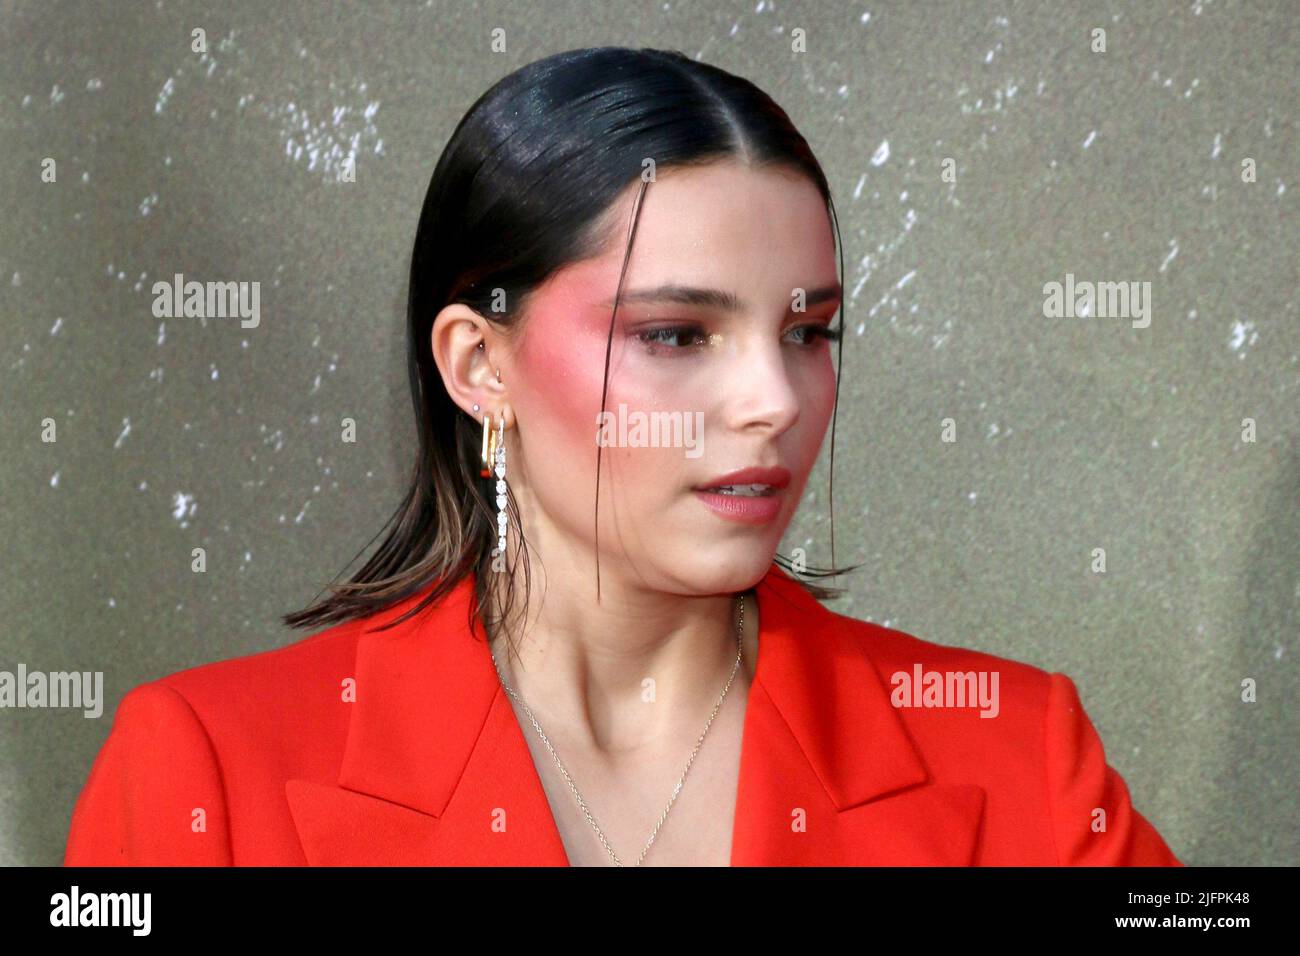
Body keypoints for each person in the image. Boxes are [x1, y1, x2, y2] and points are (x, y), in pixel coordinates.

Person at [64, 46, 1181, 867]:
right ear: (478, 364)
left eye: (806, 332)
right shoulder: (204, 772)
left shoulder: (1014, 753)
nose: (772, 399)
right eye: (675, 333)